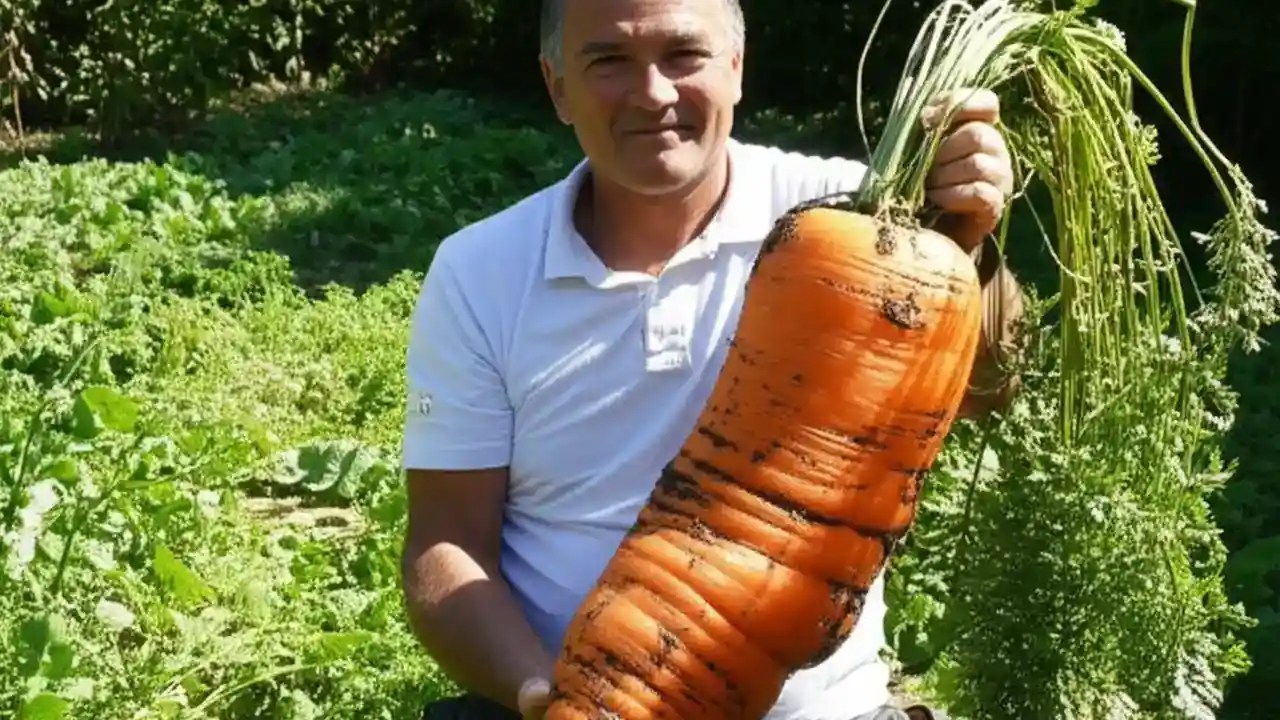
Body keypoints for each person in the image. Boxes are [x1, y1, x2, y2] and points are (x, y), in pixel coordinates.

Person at [399, 0, 1024, 718]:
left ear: (736, 67)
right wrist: (542, 693)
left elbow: (988, 389)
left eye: (684, 55)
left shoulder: (850, 218)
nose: (654, 94)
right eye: (608, 61)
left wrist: (965, 242)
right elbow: (446, 540)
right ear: (557, 87)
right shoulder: (481, 271)